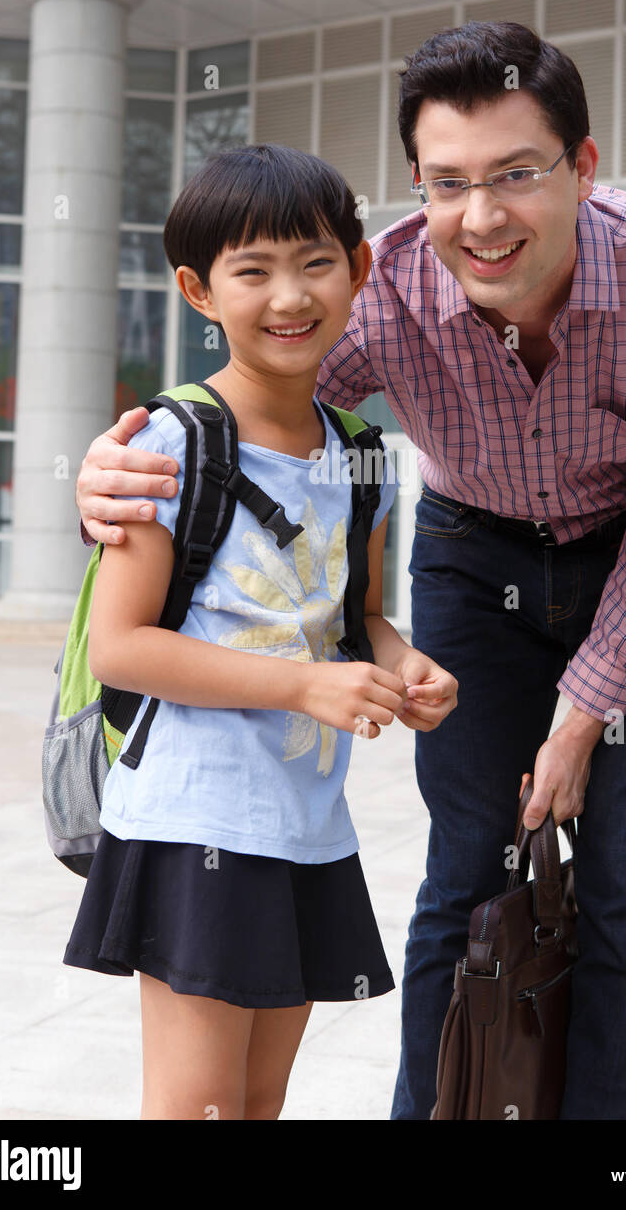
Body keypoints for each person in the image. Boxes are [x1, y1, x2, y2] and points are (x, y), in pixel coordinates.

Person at [76, 22, 626, 1121]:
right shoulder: (381, 289)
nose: (480, 217)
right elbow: (259, 394)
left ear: (582, 168)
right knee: (469, 869)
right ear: (416, 187)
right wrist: (120, 466)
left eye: (514, 175)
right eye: (447, 184)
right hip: (470, 548)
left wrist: (580, 716)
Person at [62, 142, 459, 1121]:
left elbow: (353, 618)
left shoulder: (362, 451)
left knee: (253, 1104)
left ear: (357, 268)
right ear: (199, 291)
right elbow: (121, 646)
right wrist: (302, 686)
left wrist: (407, 668)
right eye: (252, 269)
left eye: (314, 261)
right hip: (195, 819)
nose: (289, 294)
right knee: (195, 1106)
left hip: (305, 821)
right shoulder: (170, 443)